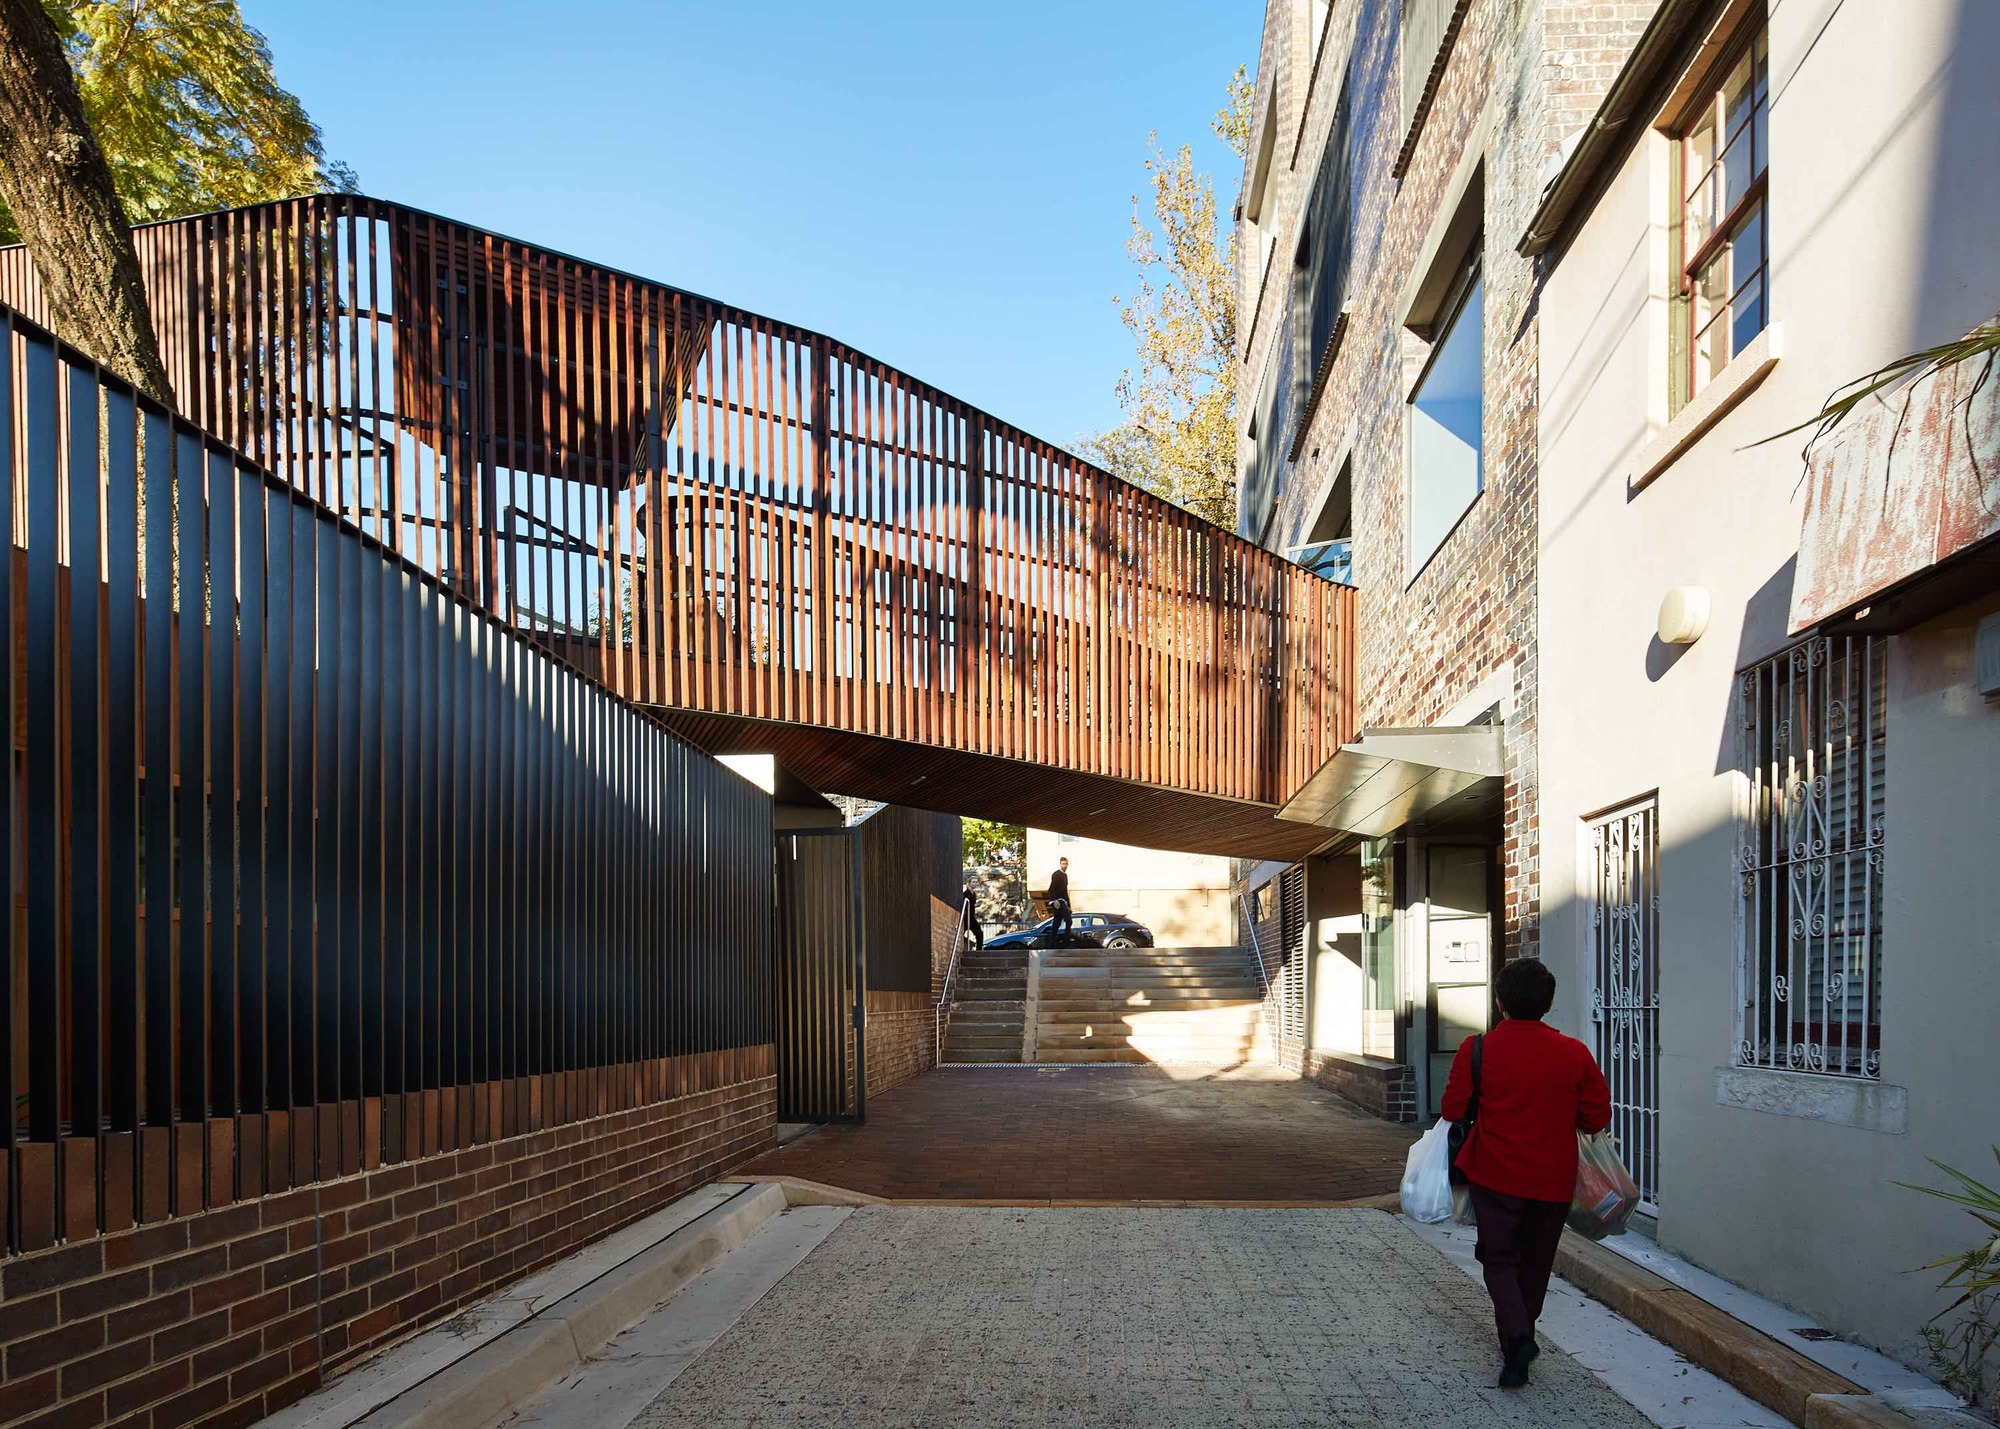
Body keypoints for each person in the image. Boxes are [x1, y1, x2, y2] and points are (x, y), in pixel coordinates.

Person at [1441, 956, 1610, 1390]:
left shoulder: (1476, 1049)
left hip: (1493, 1174)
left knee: (1498, 1257)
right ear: (1549, 1003)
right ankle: (1520, 1343)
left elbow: (1453, 1110)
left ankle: (1517, 1340)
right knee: (1535, 1264)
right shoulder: (1574, 1053)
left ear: (1500, 1003)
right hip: (1553, 1179)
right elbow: (1595, 1118)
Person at [1046, 856, 1072, 939]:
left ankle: (1052, 944)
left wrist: (1069, 906)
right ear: (1060, 864)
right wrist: (1055, 900)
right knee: (1068, 920)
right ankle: (1066, 942)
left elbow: (1065, 891)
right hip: (1057, 901)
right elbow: (1051, 888)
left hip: (1062, 901)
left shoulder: (1065, 876)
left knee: (1056, 923)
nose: (1065, 866)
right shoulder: (1056, 874)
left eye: (1066, 864)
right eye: (1063, 864)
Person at [962, 878, 985, 951]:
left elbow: (972, 905)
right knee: (961, 932)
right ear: (969, 883)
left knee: (979, 933)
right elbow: (965, 905)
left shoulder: (974, 894)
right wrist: (974, 905)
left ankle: (979, 951)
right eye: (973, 882)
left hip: (971, 916)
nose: (975, 883)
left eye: (976, 882)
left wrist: (976, 905)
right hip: (965, 916)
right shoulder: (965, 893)